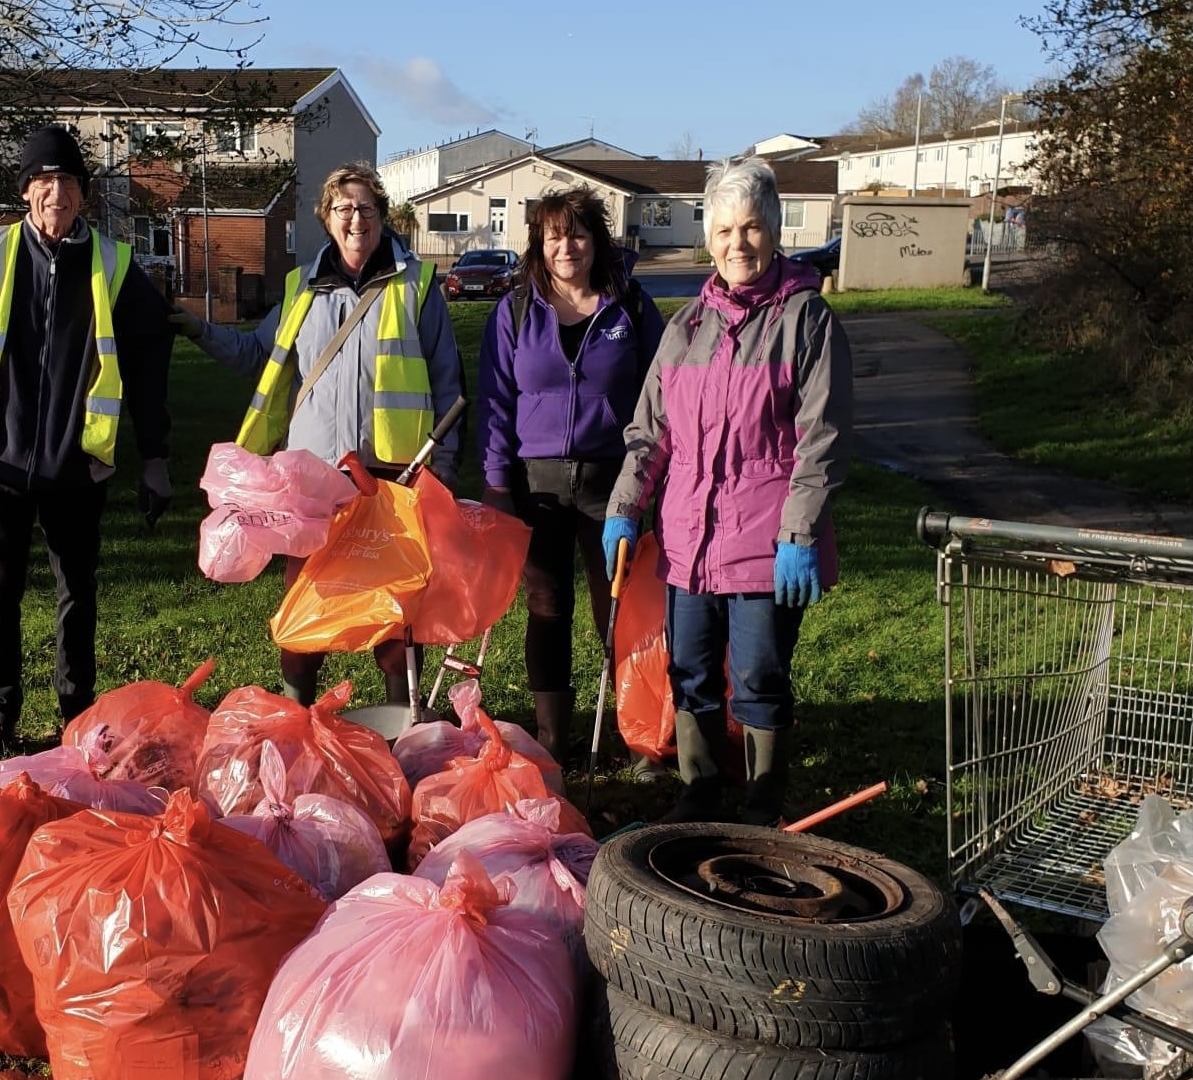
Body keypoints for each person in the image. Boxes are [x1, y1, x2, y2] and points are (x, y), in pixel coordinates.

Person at [0, 125, 177, 759]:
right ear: (25, 192)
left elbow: (153, 359)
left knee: (77, 592)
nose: (57, 193)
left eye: (69, 182)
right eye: (44, 181)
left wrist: (154, 455)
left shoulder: (113, 265)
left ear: (84, 195)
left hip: (77, 462)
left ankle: (77, 720)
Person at [603, 157, 853, 826]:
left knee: (758, 678)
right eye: (724, 231)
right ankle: (700, 790)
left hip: (766, 546)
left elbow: (820, 440)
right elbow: (650, 433)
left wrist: (798, 536)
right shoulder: (686, 327)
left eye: (751, 228)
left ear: (772, 231)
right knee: (689, 669)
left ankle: (763, 802)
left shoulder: (807, 320)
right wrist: (625, 510)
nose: (738, 244)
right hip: (689, 545)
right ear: (707, 238)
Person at [172, 162, 463, 707]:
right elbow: (255, 354)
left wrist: (440, 471)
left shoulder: (417, 286)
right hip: (311, 483)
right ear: (326, 219)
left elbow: (449, 382)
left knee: (395, 617)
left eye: (367, 209)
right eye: (344, 209)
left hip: (389, 480)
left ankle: (405, 726)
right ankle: (297, 717)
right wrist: (196, 329)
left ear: (383, 216)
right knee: (305, 606)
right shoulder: (300, 288)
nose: (356, 220)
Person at [474, 184, 664, 769]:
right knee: (547, 606)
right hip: (537, 485)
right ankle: (555, 741)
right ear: (539, 241)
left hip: (616, 480)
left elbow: (662, 396)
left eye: (578, 233)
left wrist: (653, 476)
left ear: (597, 239)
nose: (567, 247)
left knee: (623, 609)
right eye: (555, 235)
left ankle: (639, 736)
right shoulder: (514, 311)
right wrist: (497, 483)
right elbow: (496, 402)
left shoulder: (631, 307)